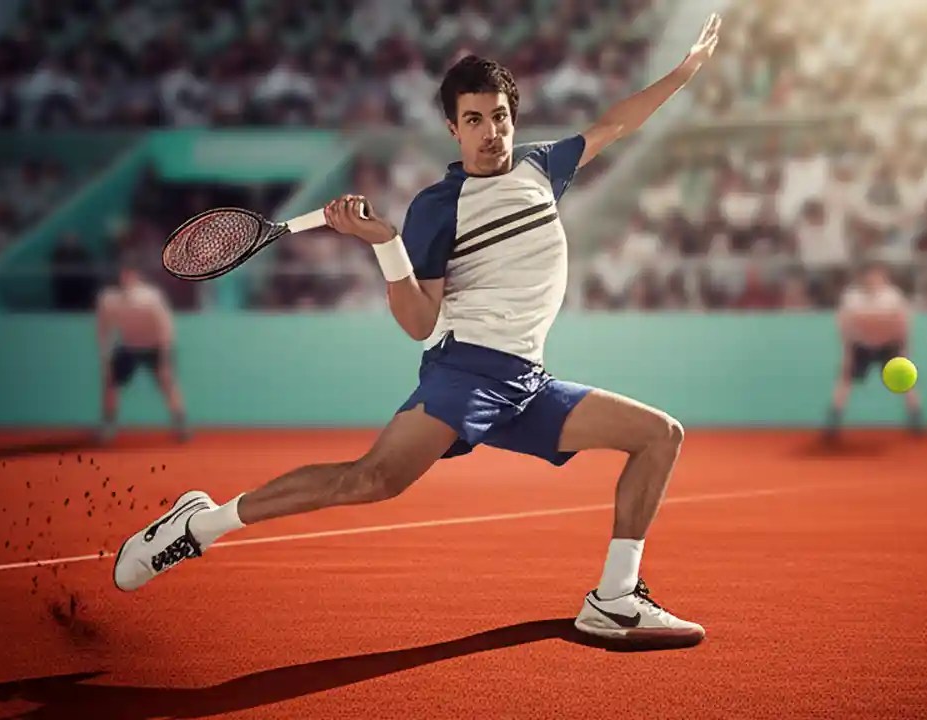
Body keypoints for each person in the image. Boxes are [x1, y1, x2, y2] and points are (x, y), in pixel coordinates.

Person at [114, 15, 725, 646]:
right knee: (371, 481)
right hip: (467, 372)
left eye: (500, 117)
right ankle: (200, 526)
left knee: (659, 435)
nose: (491, 133)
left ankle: (614, 599)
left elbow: (615, 124)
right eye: (474, 121)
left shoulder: (545, 168)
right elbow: (418, 323)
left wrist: (682, 73)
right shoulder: (438, 207)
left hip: (527, 380)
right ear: (452, 129)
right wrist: (384, 243)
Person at [824, 260, 925, 441]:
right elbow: (845, 324)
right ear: (863, 278)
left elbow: (902, 324)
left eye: (878, 276)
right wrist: (847, 351)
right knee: (845, 380)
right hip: (860, 346)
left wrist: (904, 349)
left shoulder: (892, 296)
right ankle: (833, 422)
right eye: (870, 276)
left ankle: (916, 419)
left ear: (883, 278)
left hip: (889, 346)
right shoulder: (852, 296)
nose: (873, 280)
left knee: (907, 383)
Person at [95, 257, 189, 444]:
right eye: (123, 273)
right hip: (129, 347)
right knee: (110, 383)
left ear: (136, 275)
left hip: (154, 347)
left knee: (168, 383)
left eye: (129, 273)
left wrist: (164, 357)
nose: (126, 277)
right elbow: (103, 330)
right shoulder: (108, 300)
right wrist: (105, 357)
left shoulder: (151, 297)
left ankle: (180, 425)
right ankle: (108, 424)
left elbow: (165, 326)